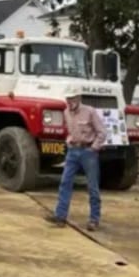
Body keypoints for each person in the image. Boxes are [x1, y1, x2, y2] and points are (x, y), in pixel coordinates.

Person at [45, 85, 106, 231]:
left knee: (92, 186)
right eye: (68, 99)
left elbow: (102, 132)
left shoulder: (89, 112)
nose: (69, 102)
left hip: (88, 152)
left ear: (79, 98)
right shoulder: (66, 112)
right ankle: (60, 216)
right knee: (65, 182)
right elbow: (70, 131)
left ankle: (94, 219)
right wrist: (69, 140)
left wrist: (94, 147)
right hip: (73, 150)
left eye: (72, 99)